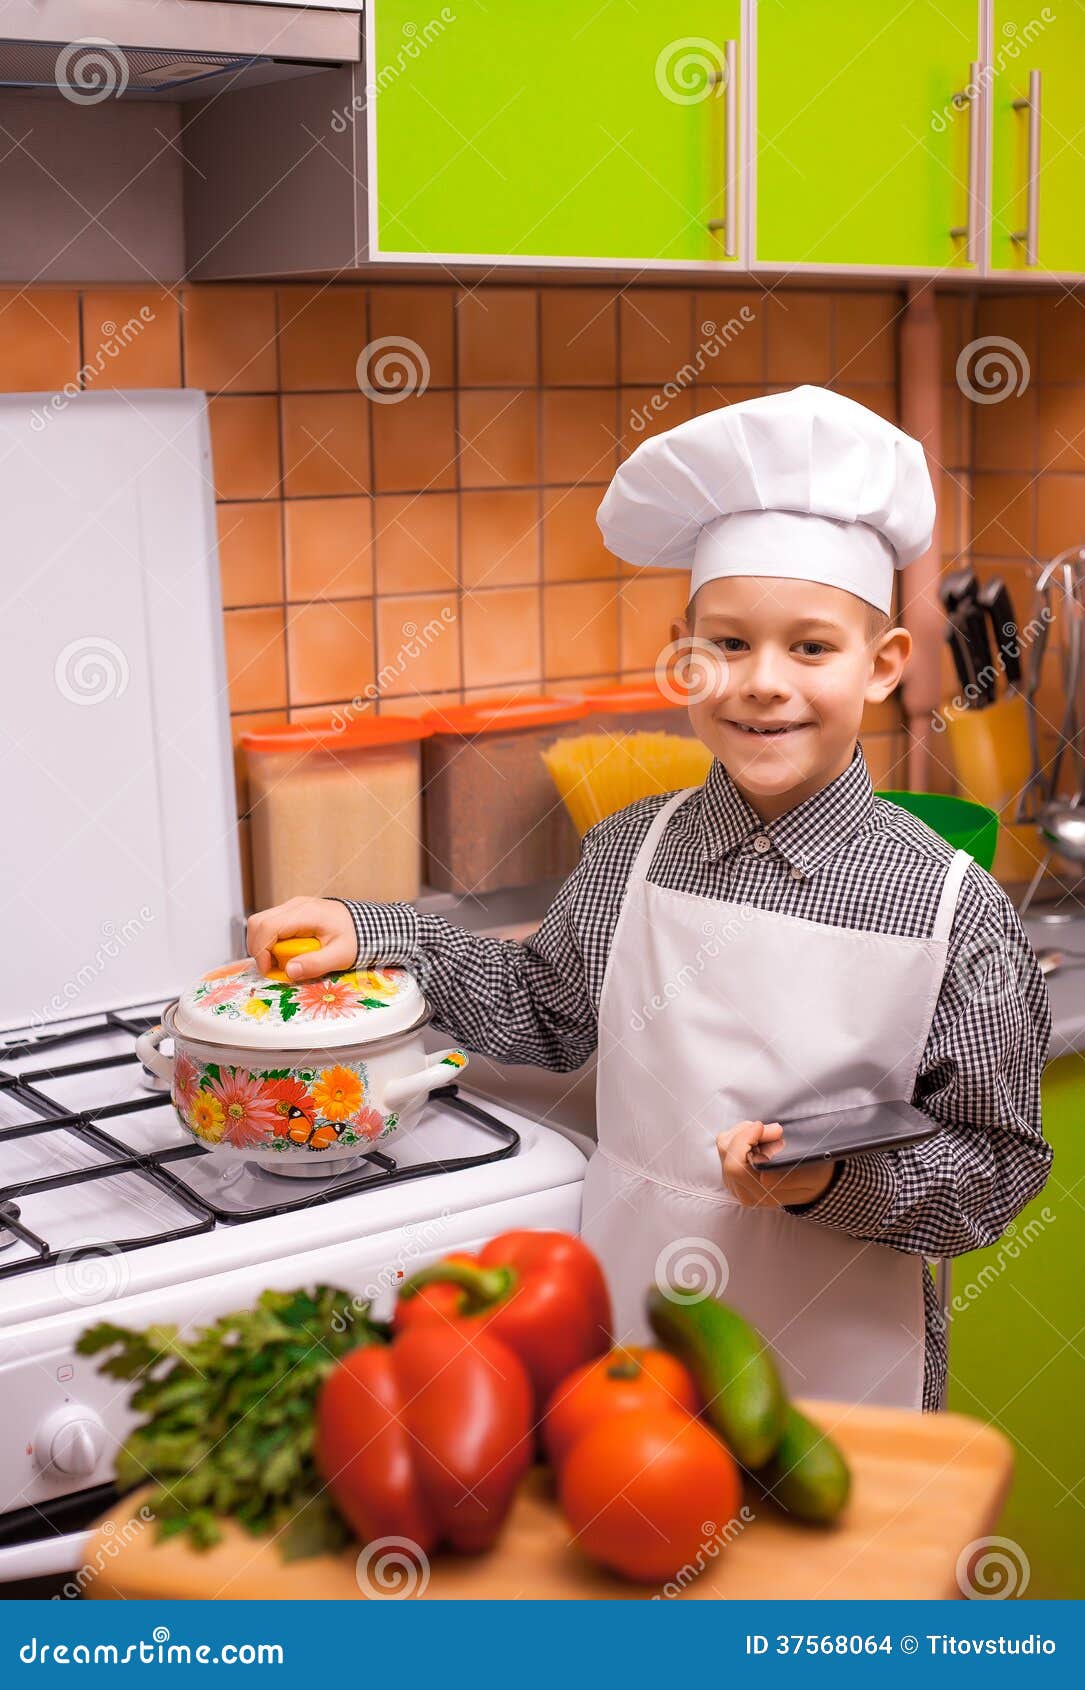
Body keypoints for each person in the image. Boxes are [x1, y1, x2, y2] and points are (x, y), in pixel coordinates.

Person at [246, 384, 1052, 1413]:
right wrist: (373, 931)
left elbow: (993, 1168)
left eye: (810, 647)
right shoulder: (631, 849)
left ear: (883, 665)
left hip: (848, 1378)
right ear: (684, 653)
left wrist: (830, 1182)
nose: (762, 682)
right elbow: (541, 1007)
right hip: (632, 1356)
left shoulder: (950, 909)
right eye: (728, 643)